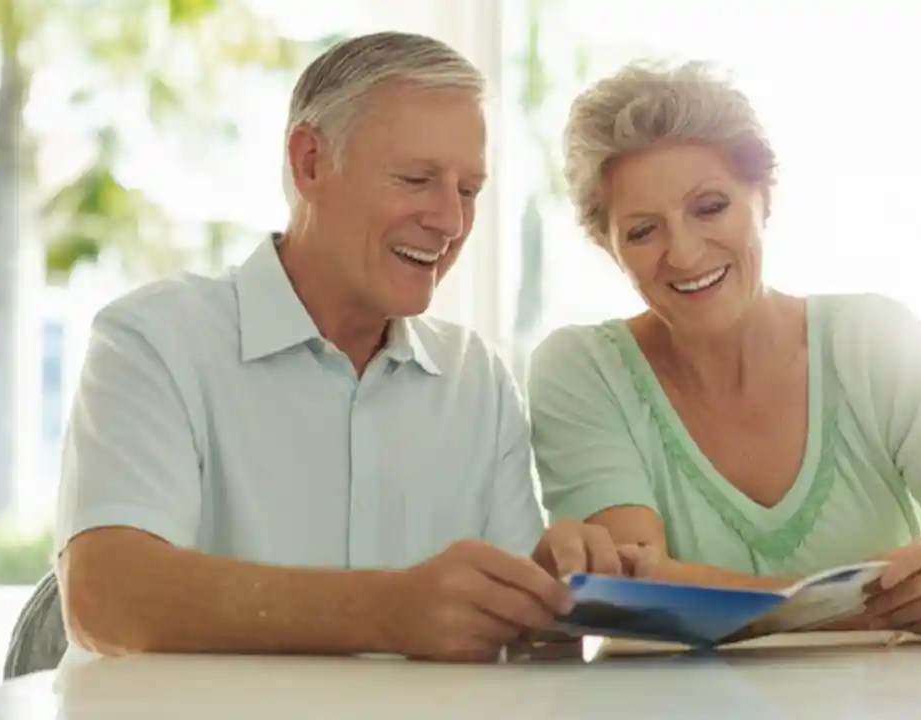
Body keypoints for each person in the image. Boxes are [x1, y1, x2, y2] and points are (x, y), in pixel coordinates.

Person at [54, 32, 650, 666]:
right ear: (310, 162)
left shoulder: (476, 378)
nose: (450, 221)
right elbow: (105, 596)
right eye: (416, 179)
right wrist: (386, 612)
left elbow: (523, 658)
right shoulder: (155, 339)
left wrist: (547, 597)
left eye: (468, 190)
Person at [529, 61, 921, 634]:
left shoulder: (876, 344)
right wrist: (866, 605)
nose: (686, 253)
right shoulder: (584, 370)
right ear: (608, 247)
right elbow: (636, 599)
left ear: (764, 197)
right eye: (643, 231)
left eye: (710, 207)